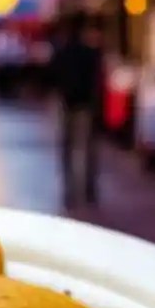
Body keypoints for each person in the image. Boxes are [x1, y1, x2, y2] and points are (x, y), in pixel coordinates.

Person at [51, 14, 104, 206]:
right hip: (85, 105)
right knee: (87, 149)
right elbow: (96, 80)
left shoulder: (62, 51)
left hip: (67, 104)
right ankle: (89, 189)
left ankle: (69, 189)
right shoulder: (90, 52)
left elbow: (54, 75)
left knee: (68, 148)